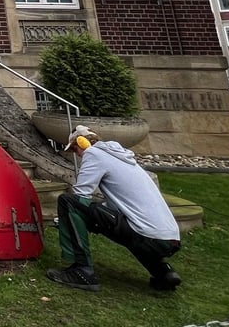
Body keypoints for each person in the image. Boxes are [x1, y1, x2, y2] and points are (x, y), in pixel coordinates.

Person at [47, 125, 182, 292]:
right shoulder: (122, 158)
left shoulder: (94, 154)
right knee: (135, 228)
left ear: (81, 144)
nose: (77, 155)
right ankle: (163, 273)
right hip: (170, 238)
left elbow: (81, 195)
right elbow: (114, 207)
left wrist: (67, 221)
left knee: (68, 201)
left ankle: (82, 271)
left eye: (75, 150)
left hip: (147, 236)